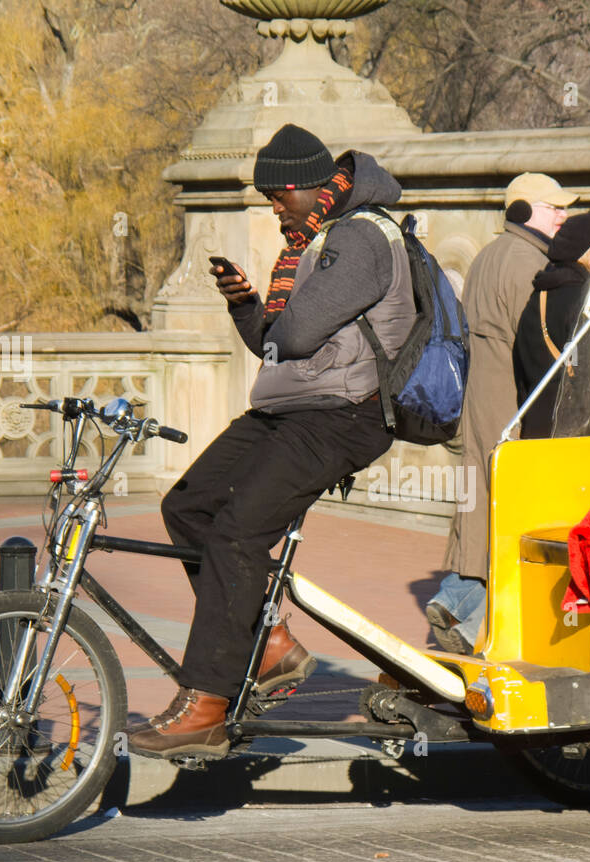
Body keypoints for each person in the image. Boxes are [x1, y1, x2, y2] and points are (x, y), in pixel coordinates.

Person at [129, 124, 409, 760]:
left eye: (277, 196)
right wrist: (246, 305)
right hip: (297, 404)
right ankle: (272, 643)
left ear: (308, 188)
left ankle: (205, 704)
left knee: (237, 533)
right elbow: (276, 343)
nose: (274, 209)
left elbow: (301, 333)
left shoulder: (361, 235)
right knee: (188, 506)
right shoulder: (322, 240)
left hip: (344, 415)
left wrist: (285, 311)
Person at [426, 173, 577, 654]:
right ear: (524, 210)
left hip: (479, 401)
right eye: (555, 207)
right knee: (511, 516)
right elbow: (537, 345)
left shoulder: (492, 254)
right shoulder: (528, 262)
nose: (563, 215)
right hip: (509, 404)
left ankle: (453, 600)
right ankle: (473, 627)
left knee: (480, 504)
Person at [511, 212, 590, 439]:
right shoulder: (583, 302)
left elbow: (521, 370)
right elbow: (584, 366)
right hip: (570, 433)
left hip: (534, 429)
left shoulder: (538, 296)